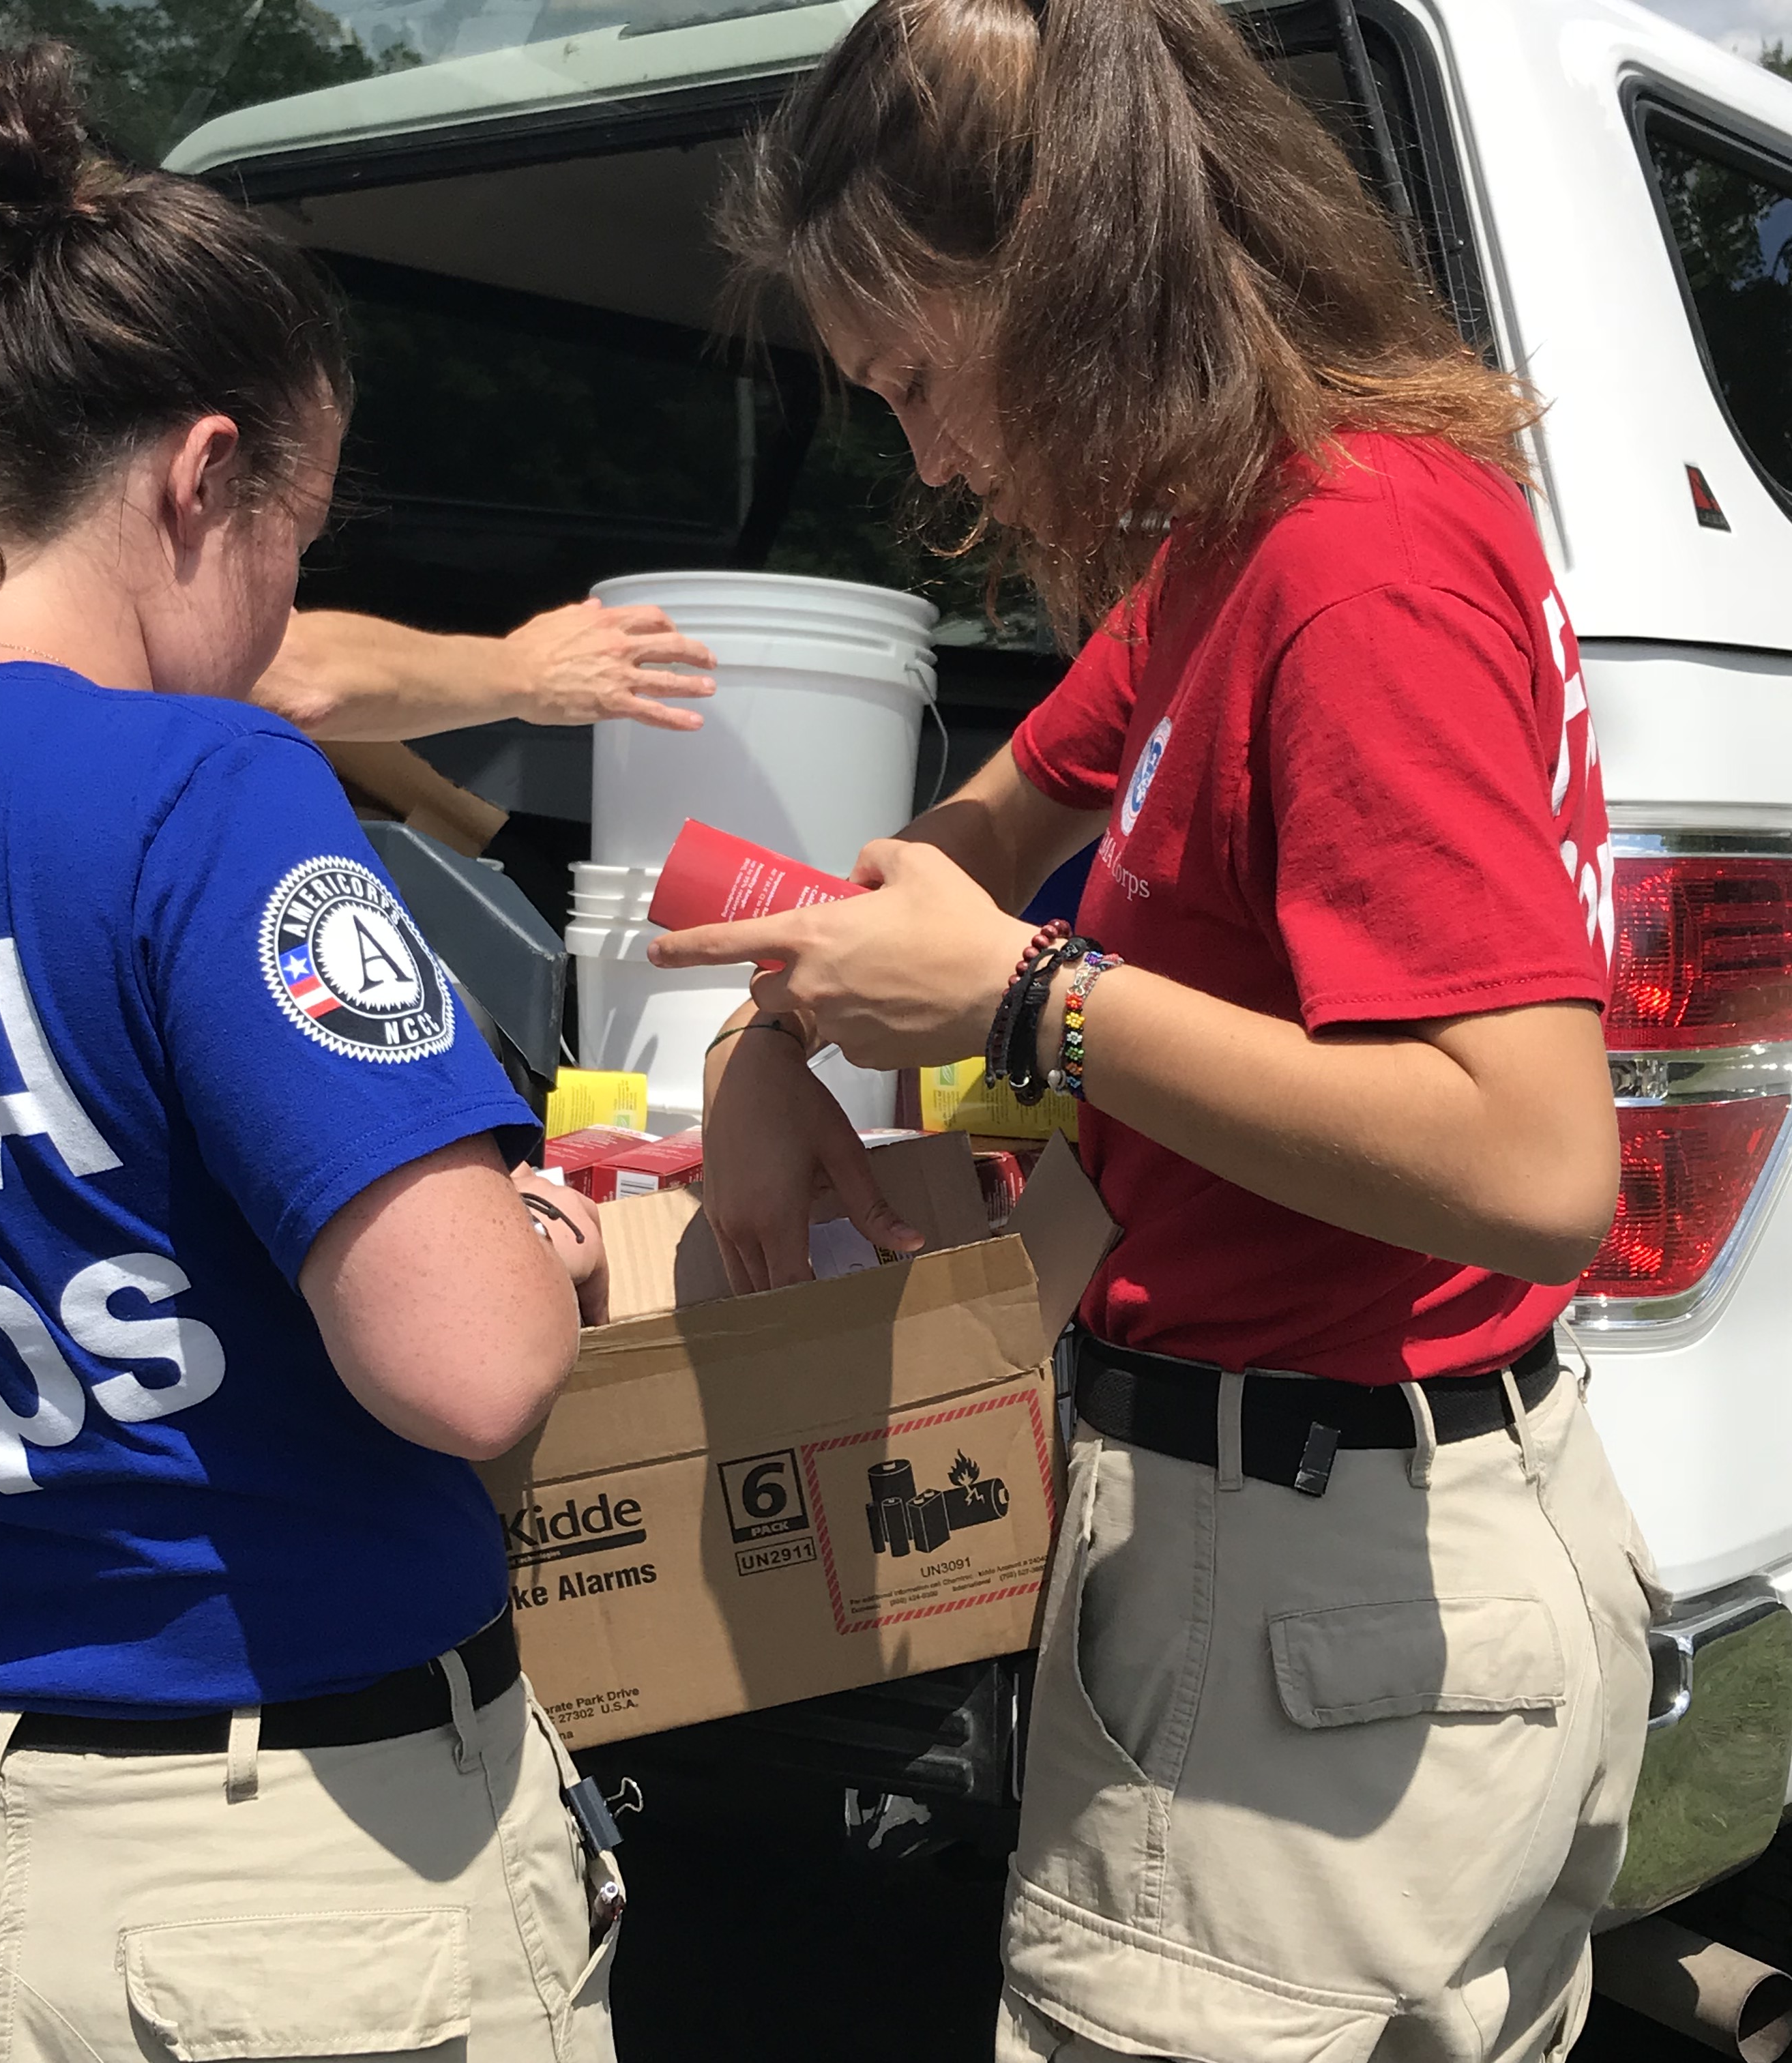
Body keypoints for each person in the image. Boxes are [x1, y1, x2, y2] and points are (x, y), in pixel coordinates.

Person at [657, 1, 1662, 2057]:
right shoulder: (1229, 553)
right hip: (1330, 1562)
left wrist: (1035, 998)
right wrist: (779, 1047)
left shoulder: (1349, 564)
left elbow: (1542, 1166)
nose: (927, 455)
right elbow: (981, 821)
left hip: (1324, 1608)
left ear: (1073, 262)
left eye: (917, 378)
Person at [0, 49, 700, 2060]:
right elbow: (473, 1363)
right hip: (291, 1904)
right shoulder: (205, 789)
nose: (275, 612)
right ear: (198, 479)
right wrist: (549, 1249)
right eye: (295, 538)